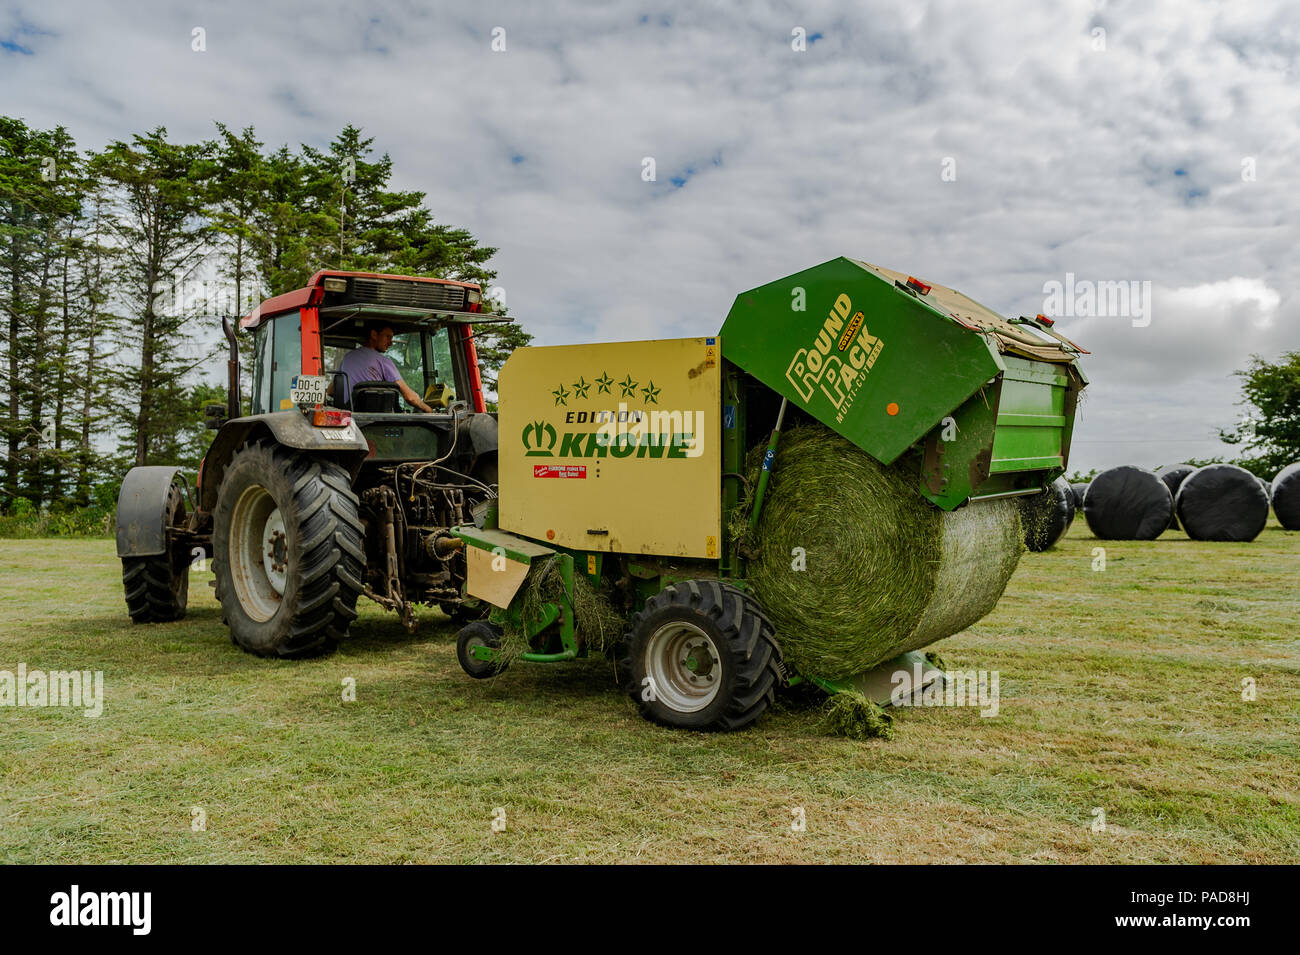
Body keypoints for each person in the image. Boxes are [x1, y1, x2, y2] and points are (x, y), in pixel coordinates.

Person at [339, 322, 434, 413]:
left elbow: (332, 391)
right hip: (377, 421)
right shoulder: (383, 361)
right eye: (388, 337)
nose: (391, 343)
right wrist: (428, 409)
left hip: (351, 418)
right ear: (374, 335)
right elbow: (410, 397)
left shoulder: (347, 357)